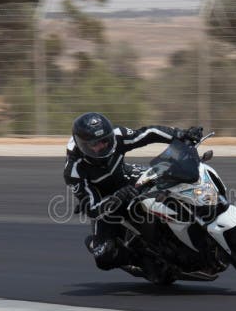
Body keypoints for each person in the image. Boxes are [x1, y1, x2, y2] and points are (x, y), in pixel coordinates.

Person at [64, 112, 203, 270]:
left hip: (126, 177)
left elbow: (147, 133)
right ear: (82, 145)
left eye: (104, 140)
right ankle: (143, 260)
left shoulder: (117, 136)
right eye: (94, 144)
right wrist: (116, 197)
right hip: (105, 201)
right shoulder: (74, 170)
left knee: (171, 178)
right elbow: (91, 208)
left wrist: (180, 133)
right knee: (103, 257)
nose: (101, 146)